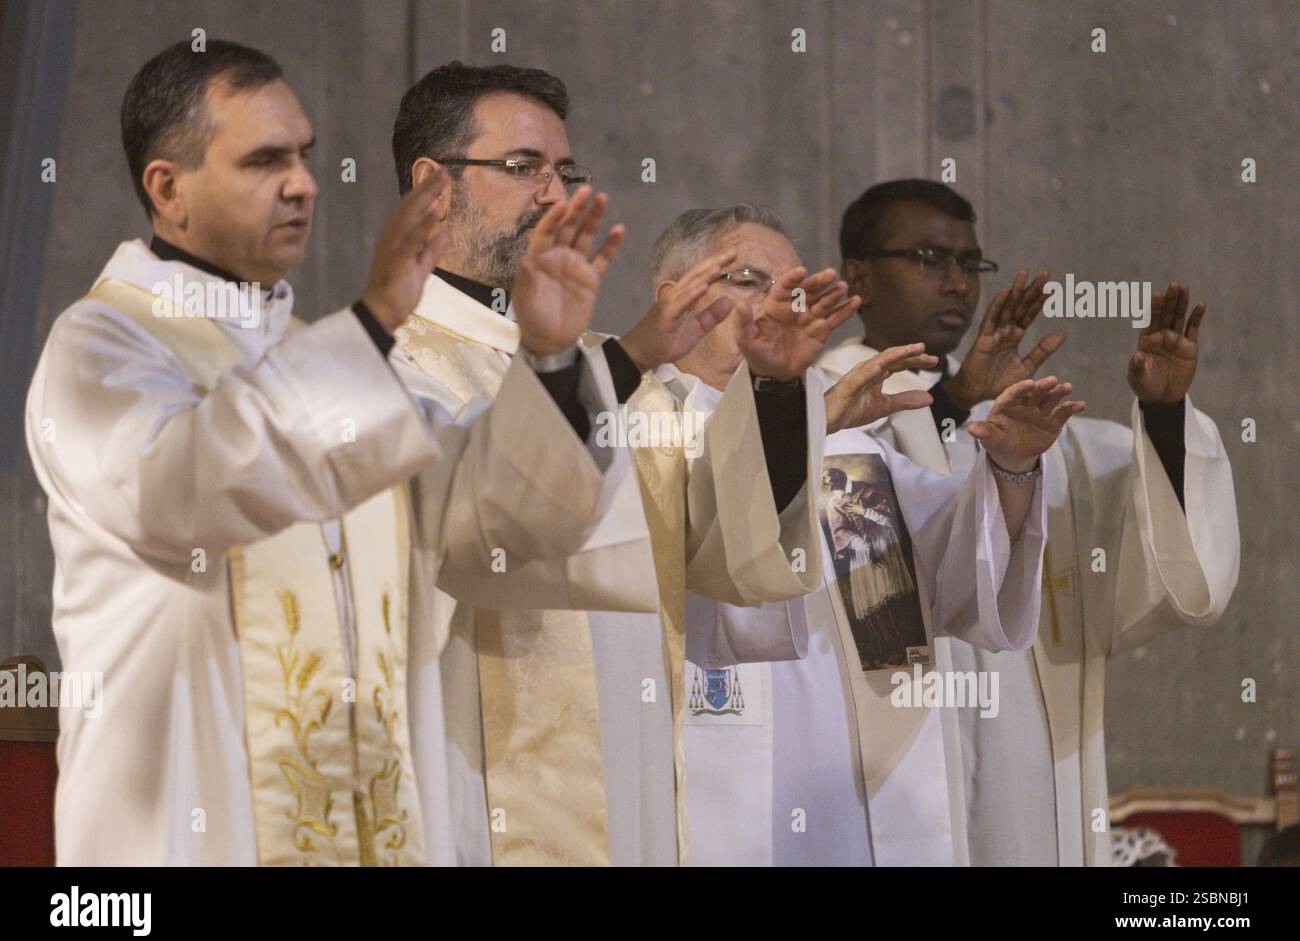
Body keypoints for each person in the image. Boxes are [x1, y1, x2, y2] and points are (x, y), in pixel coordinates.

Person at [24, 40, 634, 866]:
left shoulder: (325, 354)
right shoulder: (102, 345)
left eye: (305, 155)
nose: (304, 183)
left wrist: (552, 359)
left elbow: (489, 523)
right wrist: (378, 315)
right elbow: (175, 493)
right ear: (168, 188)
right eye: (264, 160)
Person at [387, 65, 850, 865]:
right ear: (433, 185)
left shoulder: (617, 368)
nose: (555, 195)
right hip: (480, 783)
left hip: (632, 784)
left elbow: (731, 559)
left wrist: (775, 391)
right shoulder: (391, 361)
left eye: (565, 172)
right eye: (522, 167)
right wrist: (628, 359)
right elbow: (479, 533)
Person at [817, 178, 1239, 865]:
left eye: (969, 263)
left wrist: (1163, 417)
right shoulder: (822, 402)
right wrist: (953, 400)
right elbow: (849, 528)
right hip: (901, 745)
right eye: (929, 257)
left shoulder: (1020, 413)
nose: (957, 283)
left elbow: (1129, 518)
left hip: (1024, 733)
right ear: (858, 275)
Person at [663, 204, 1081, 866]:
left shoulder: (848, 451)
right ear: (676, 299)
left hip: (857, 813)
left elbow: (951, 579)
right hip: (720, 796)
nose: (778, 304)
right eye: (748, 281)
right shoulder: (643, 429)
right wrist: (791, 432)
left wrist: (1009, 465)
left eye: (794, 290)